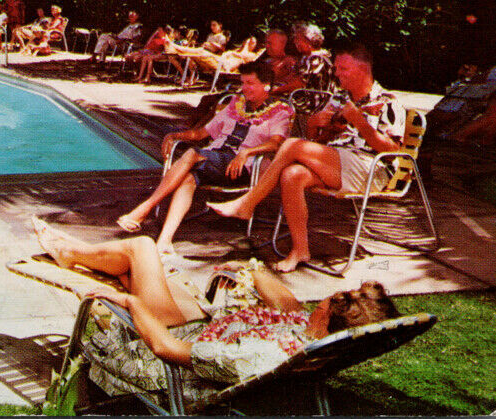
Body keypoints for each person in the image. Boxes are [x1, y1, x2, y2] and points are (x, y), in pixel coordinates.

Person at [32, 219, 398, 386]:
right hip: (199, 329)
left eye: (332, 297)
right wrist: (250, 269)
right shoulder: (308, 339)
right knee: (139, 271)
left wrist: (129, 303)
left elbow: (165, 348)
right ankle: (76, 252)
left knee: (141, 249)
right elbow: (287, 305)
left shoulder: (258, 355)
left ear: (330, 309)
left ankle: (71, 253)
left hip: (168, 350)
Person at [209, 43, 406, 272]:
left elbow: (393, 150)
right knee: (292, 174)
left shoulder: (388, 101)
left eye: (343, 68)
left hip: (370, 168)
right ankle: (300, 250)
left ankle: (247, 203)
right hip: (337, 162)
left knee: (292, 144)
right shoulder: (339, 98)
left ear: (363, 70)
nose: (336, 73)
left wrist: (359, 122)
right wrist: (314, 124)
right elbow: (315, 142)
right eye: (336, 68)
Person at [115, 62, 294, 254]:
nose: (244, 88)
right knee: (188, 179)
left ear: (266, 85)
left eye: (250, 83)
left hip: (242, 167)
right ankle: (165, 240)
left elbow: (276, 143)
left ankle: (144, 208)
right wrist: (174, 135)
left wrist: (247, 152)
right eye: (243, 82)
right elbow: (201, 133)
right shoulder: (235, 105)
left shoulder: (279, 111)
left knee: (192, 154)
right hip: (215, 159)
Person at [288, 22, 335, 94]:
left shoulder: (318, 58)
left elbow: (300, 83)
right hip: (301, 96)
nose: (295, 42)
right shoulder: (306, 57)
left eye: (297, 39)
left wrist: (275, 91)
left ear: (309, 40)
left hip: (315, 98)